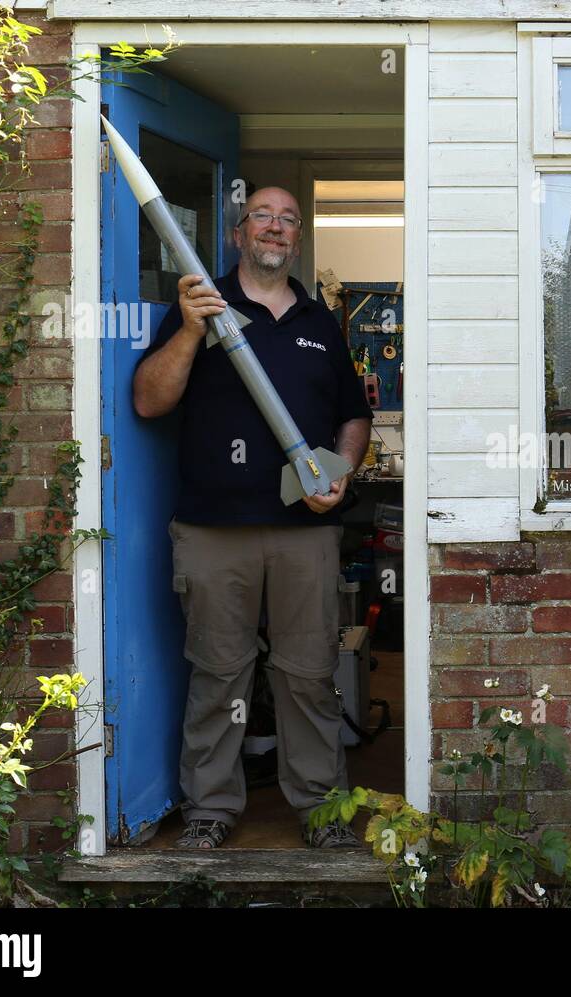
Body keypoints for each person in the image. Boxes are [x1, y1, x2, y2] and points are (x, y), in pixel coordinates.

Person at [133, 186, 372, 848]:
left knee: (309, 676)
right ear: (240, 234)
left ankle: (321, 811)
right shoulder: (203, 306)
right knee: (219, 672)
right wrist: (188, 329)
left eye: (288, 219)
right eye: (263, 216)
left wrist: (341, 470)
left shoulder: (321, 323)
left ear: (296, 239)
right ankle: (209, 810)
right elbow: (150, 401)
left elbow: (355, 416)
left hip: (306, 533)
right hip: (214, 531)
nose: (276, 227)